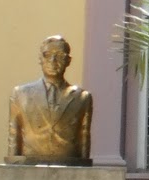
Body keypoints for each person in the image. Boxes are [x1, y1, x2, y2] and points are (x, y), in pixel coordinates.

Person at [7, 35, 93, 164]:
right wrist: (12, 168)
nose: (53, 61)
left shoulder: (82, 97)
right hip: (29, 165)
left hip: (68, 166)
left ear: (68, 61)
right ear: (40, 59)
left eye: (60, 56)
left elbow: (84, 137)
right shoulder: (21, 94)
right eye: (47, 55)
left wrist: (84, 169)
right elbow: (14, 134)